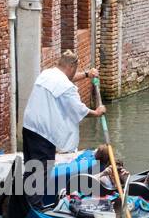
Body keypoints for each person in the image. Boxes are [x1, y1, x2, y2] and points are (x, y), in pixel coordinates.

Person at [22, 51, 106, 203]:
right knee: (41, 172)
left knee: (30, 169)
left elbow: (68, 79)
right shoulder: (66, 86)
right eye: (76, 69)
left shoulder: (47, 74)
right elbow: (79, 110)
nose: (75, 72)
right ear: (72, 66)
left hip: (29, 127)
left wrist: (87, 74)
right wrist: (97, 112)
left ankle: (22, 203)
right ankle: (34, 207)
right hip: (44, 134)